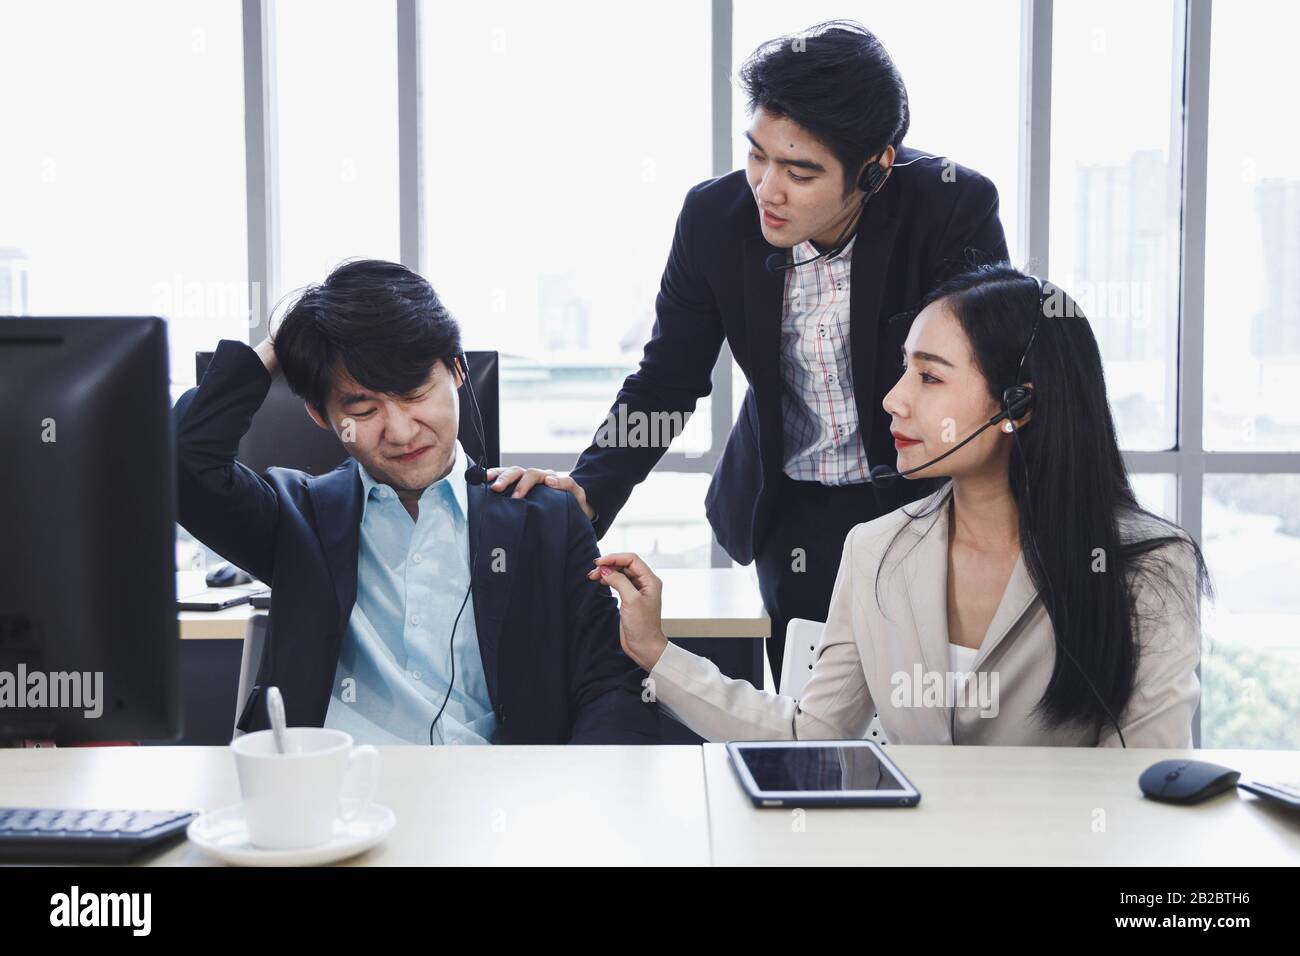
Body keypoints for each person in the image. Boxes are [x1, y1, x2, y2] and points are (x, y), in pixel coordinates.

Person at [487, 21, 1009, 687]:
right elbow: (666, 381)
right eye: (757, 156)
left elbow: (982, 376)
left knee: (942, 715)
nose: (767, 188)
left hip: (929, 498)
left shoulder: (950, 207)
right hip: (794, 514)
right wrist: (587, 491)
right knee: (813, 716)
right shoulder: (714, 218)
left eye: (802, 171)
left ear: (876, 167)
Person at [588, 264, 1212, 747]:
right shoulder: (878, 548)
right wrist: (656, 651)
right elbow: (813, 734)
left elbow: (1146, 779)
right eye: (903, 371)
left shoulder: (1145, 565)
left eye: (930, 377)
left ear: (1018, 404)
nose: (892, 400)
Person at [174, 259, 658, 745]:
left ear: (457, 370)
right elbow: (182, 461)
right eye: (363, 409)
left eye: (414, 393)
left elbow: (609, 688)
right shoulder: (297, 519)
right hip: (333, 796)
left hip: (496, 798)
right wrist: (289, 339)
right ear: (321, 417)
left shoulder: (543, 516)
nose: (402, 431)